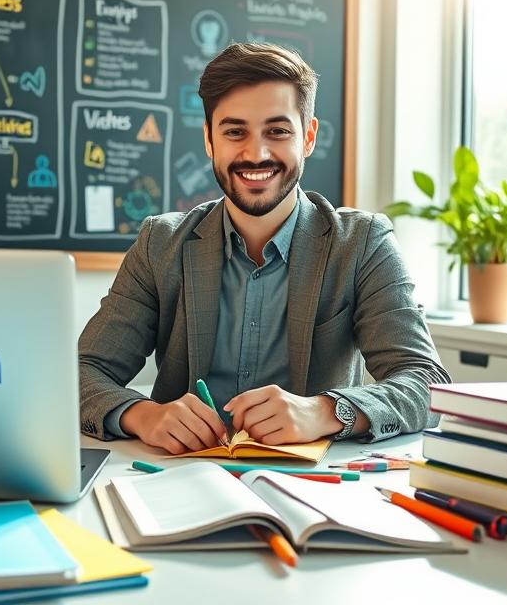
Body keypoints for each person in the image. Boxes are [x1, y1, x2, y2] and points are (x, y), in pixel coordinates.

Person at [78, 42, 450, 453]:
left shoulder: (362, 243)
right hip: (177, 472)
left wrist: (326, 411)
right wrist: (142, 414)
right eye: (235, 132)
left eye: (277, 131)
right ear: (209, 140)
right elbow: (81, 371)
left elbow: (426, 384)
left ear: (308, 137)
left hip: (314, 479)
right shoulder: (160, 244)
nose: (255, 154)